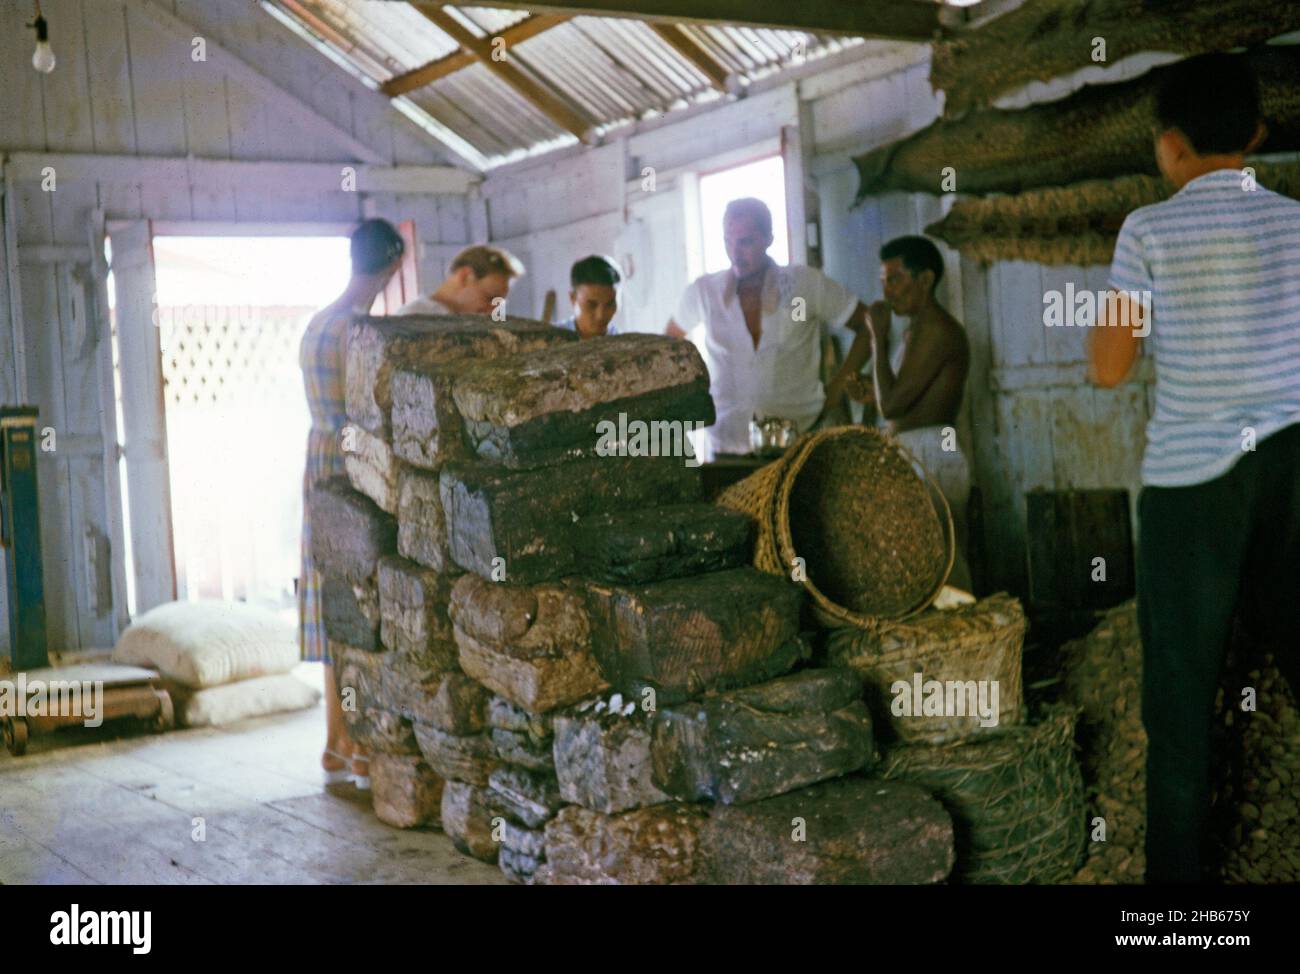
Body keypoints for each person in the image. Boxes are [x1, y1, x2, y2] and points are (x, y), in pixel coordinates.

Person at [1089, 52, 1300, 884]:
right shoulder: (1296, 221)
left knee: (1180, 706)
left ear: (1169, 146)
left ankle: (1179, 915)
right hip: (1292, 467)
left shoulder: (1149, 228)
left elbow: (1109, 367)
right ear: (1254, 134)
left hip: (1193, 488)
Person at [299, 218, 405, 790]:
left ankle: (335, 741)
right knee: (359, 608)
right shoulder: (357, 329)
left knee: (331, 607)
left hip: (318, 460)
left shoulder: (318, 322)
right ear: (390, 265)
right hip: (349, 467)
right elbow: (365, 416)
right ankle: (359, 744)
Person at [665, 197, 872, 455]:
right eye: (728, 241)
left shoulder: (802, 284)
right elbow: (669, 341)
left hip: (798, 443)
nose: (735, 252)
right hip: (727, 445)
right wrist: (693, 394)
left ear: (768, 239)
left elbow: (870, 324)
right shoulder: (706, 292)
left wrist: (838, 388)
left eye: (746, 241)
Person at [830, 236, 973, 591]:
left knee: (943, 565)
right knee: (921, 565)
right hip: (917, 451)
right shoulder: (916, 331)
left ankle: (969, 639)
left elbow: (892, 404)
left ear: (924, 280)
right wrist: (871, 394)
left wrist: (876, 338)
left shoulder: (938, 330)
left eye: (894, 280)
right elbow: (896, 401)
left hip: (932, 453)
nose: (887, 291)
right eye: (883, 282)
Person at [399, 244, 525, 315]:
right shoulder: (414, 316)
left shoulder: (471, 322)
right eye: (489, 298)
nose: (493, 310)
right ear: (465, 276)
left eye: (499, 302)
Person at [559, 255, 621, 338]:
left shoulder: (625, 345)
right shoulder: (548, 341)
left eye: (609, 304)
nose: (601, 315)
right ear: (573, 298)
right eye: (592, 305)